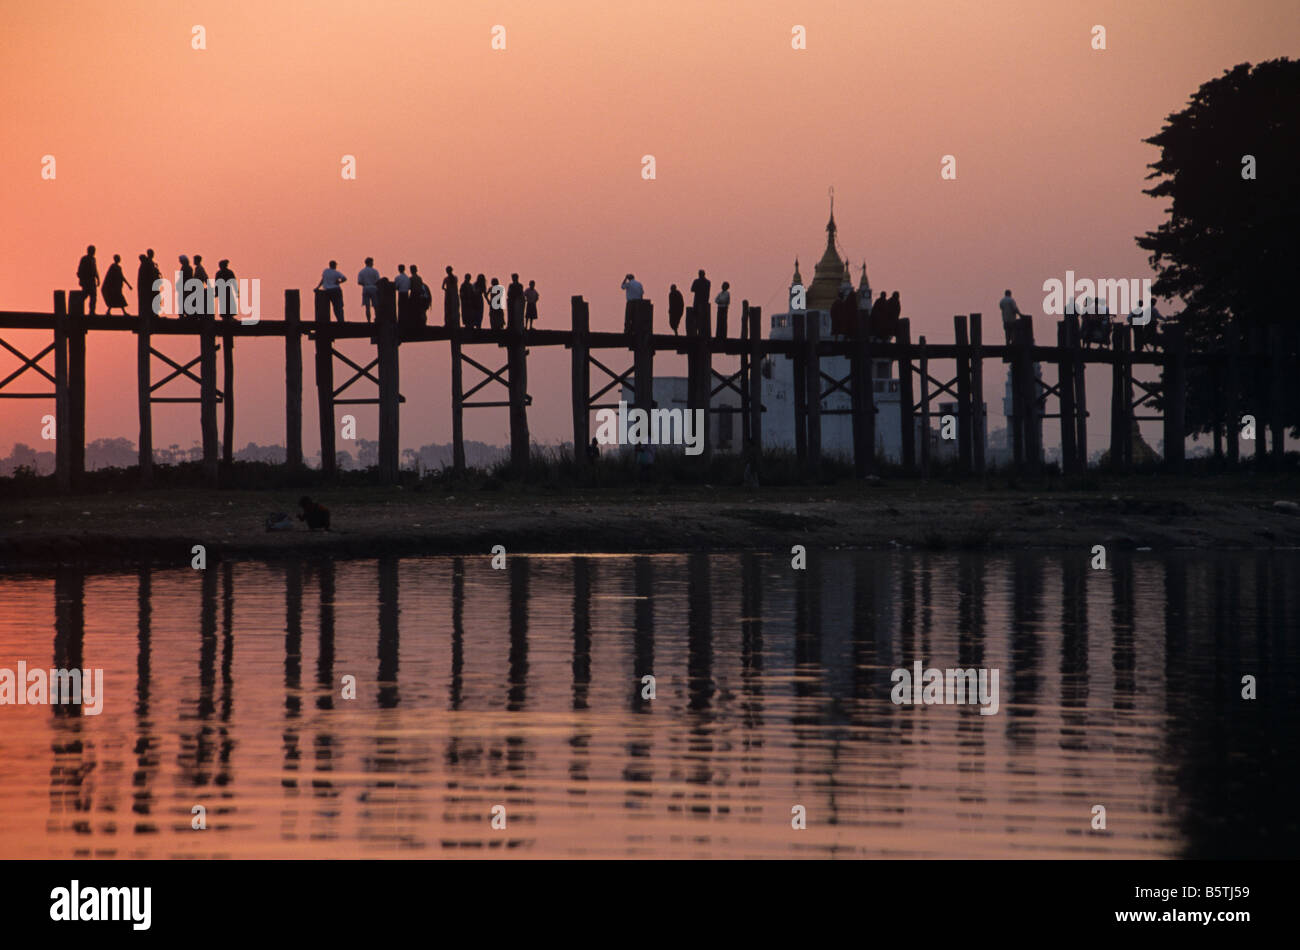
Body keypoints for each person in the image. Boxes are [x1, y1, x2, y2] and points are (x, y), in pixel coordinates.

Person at [77, 245, 99, 314]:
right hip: (86, 281)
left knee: (93, 297)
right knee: (84, 295)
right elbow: (80, 270)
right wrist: (81, 279)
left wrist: (98, 278)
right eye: (92, 251)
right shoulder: (84, 259)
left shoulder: (93, 259)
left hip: (92, 280)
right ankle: (77, 308)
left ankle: (92, 311)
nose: (94, 252)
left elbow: (95, 270)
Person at [358, 257, 380, 323]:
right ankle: (377, 319)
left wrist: (365, 283)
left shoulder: (361, 271)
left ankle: (368, 321)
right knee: (375, 306)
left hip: (366, 288)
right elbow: (378, 281)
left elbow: (359, 282)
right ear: (370, 263)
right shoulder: (375, 271)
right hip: (374, 288)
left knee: (367, 307)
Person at [690, 269, 711, 337]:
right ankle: (702, 332)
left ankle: (696, 332)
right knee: (703, 318)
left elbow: (692, 289)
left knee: (696, 317)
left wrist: (698, 289)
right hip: (704, 302)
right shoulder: (708, 282)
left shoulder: (696, 281)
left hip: (697, 301)